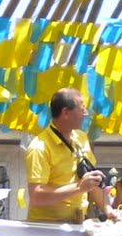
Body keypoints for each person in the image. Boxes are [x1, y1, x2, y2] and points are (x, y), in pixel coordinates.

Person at [25, 87, 115, 224]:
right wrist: (79, 188)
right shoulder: (39, 147)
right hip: (47, 228)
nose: (85, 114)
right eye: (82, 109)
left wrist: (108, 210)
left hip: (77, 224)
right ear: (65, 112)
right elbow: (37, 197)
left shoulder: (82, 138)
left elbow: (93, 182)